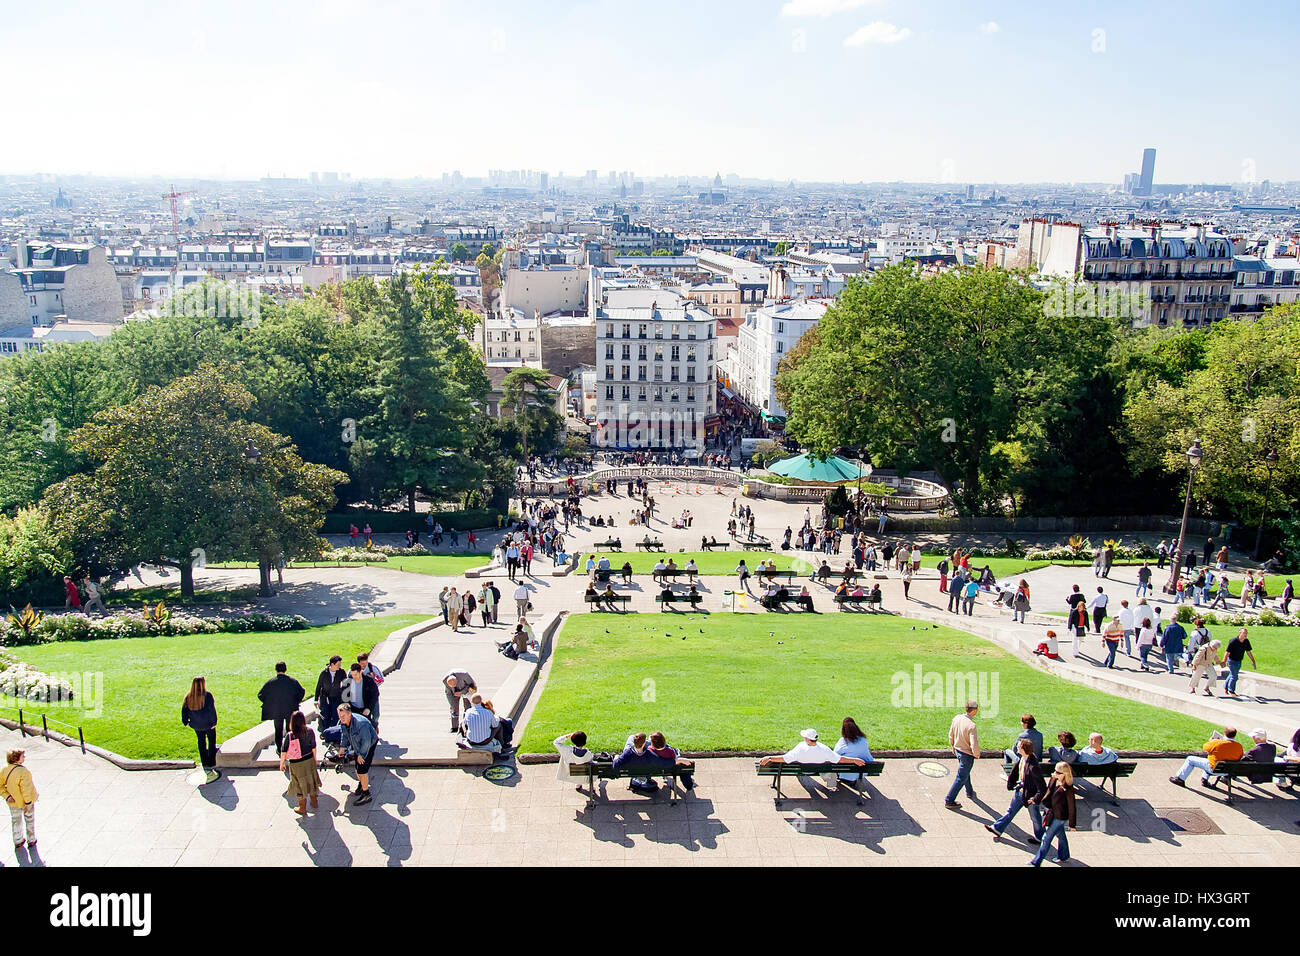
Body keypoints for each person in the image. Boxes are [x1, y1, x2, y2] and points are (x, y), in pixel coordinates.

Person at [758, 728, 865, 790]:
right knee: (828, 769)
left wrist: (770, 757)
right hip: (819, 770)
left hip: (802, 770)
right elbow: (839, 759)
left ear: (808, 739)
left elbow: (785, 759)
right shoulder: (824, 748)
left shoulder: (800, 748)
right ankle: (831, 784)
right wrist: (854, 760)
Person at [986, 738, 1045, 844]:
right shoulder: (1023, 758)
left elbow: (1042, 787)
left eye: (1019, 746)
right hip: (1021, 792)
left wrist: (1035, 799)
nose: (1017, 747)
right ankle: (997, 828)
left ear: (1023, 749)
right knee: (1010, 811)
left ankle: (1040, 837)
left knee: (1035, 818)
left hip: (1029, 796)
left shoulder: (1033, 766)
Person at [1028, 763, 1076, 866]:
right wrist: (1053, 779)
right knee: (1061, 835)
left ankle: (1036, 862)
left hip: (1060, 817)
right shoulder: (1058, 783)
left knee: (1046, 838)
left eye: (1058, 772)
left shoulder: (1068, 789)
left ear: (1065, 774)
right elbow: (1048, 793)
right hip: (1054, 814)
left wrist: (1072, 824)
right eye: (1055, 771)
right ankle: (1064, 856)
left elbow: (1072, 807)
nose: (1055, 774)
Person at [258, 661, 305, 756]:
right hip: (290, 709)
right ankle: (290, 747)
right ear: (285, 669)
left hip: (277, 710)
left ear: (276, 670)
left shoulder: (271, 682)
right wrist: (296, 701)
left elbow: (260, 695)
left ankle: (279, 749)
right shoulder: (293, 681)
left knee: (278, 730)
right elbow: (301, 692)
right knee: (290, 729)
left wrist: (269, 703)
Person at [1170, 727, 1243, 788]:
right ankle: (1204, 779)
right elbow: (1239, 757)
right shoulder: (1239, 746)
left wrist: (1211, 741)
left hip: (1213, 769)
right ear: (1235, 735)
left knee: (1190, 759)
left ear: (1224, 733)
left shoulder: (1217, 742)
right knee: (1211, 759)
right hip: (1227, 771)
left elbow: (1205, 747)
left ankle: (1180, 779)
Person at [279, 711, 320, 815]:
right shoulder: (309, 731)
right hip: (309, 760)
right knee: (312, 780)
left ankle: (302, 808)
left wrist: (282, 763)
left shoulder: (289, 736)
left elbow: (283, 751)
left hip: (296, 764)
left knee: (298, 784)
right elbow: (313, 747)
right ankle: (314, 801)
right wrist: (314, 759)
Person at [335, 703, 377, 806]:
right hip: (358, 743)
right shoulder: (343, 722)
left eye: (343, 716)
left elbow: (366, 741)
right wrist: (342, 748)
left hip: (368, 745)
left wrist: (361, 755)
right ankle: (362, 784)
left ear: (350, 714)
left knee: (362, 769)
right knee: (357, 769)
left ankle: (366, 794)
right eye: (340, 716)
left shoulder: (361, 724)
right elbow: (344, 735)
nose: (341, 718)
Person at [181, 676, 220, 783]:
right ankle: (211, 762)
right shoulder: (207, 696)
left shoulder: (188, 696)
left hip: (196, 725)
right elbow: (211, 710)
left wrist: (186, 722)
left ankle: (204, 762)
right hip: (208, 724)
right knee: (211, 742)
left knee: (201, 741)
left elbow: (184, 711)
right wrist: (214, 723)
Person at [944, 701, 980, 809]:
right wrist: (977, 754)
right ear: (974, 710)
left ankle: (969, 791)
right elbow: (974, 744)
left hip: (958, 750)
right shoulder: (971, 726)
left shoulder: (957, 718)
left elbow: (951, 734)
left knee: (964, 772)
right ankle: (949, 800)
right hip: (967, 754)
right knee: (961, 777)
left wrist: (953, 746)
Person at [2, 749, 38, 852]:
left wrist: (7, 796)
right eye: (23, 756)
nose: (24, 757)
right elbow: (26, 789)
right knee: (29, 820)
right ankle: (31, 839)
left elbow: (1, 786)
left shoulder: (4, 770)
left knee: (16, 821)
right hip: (25, 802)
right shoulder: (23, 771)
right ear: (16, 759)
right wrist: (27, 802)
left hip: (12, 802)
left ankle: (18, 840)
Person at [832, 718, 875, 786]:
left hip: (844, 772)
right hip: (861, 771)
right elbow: (869, 758)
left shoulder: (842, 742)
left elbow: (834, 756)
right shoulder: (863, 740)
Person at [313, 655, 346, 733]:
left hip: (336, 697)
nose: (339, 666)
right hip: (325, 698)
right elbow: (319, 686)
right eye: (338, 665)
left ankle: (334, 733)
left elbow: (346, 685)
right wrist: (316, 700)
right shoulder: (324, 673)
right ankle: (324, 732)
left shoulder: (341, 672)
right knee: (325, 715)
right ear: (332, 664)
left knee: (335, 716)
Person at [1222, 627, 1257, 697]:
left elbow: (1248, 652)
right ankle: (1231, 691)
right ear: (1240, 633)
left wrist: (1253, 661)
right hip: (1231, 661)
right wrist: (1224, 661)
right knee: (1234, 676)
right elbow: (1227, 652)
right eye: (1244, 633)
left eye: (1246, 633)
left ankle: (1226, 687)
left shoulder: (1246, 641)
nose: (1245, 635)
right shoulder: (1233, 641)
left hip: (1239, 661)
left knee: (1232, 675)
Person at [344, 662, 379, 732]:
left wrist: (368, 708)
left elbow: (375, 694)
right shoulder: (348, 682)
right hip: (353, 709)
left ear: (360, 672)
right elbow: (344, 696)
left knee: (366, 728)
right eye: (352, 674)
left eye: (356, 674)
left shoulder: (368, 681)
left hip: (365, 709)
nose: (354, 677)